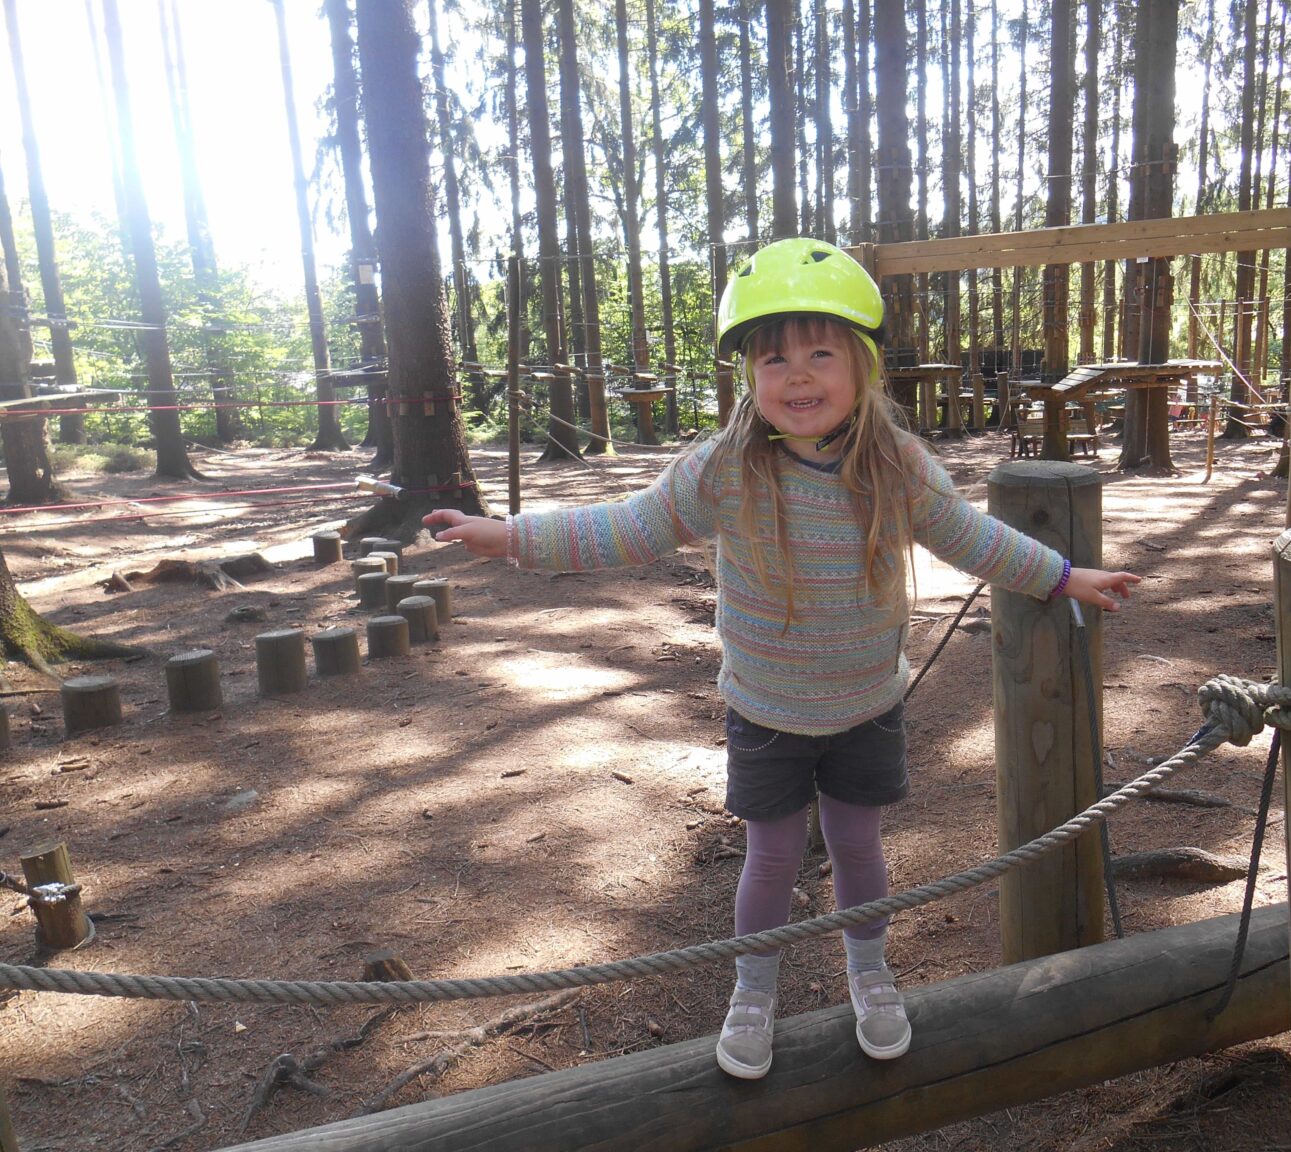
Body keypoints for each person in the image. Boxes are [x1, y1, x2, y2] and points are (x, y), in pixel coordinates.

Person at [424, 237, 1140, 1080]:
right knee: (768, 857)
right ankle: (753, 987)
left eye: (820, 353)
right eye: (775, 359)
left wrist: (1062, 576)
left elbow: (970, 537)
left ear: (863, 365)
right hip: (765, 708)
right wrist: (511, 538)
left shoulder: (896, 465)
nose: (798, 376)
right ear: (749, 379)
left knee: (858, 848)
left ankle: (868, 971)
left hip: (867, 705)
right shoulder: (725, 468)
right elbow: (627, 526)